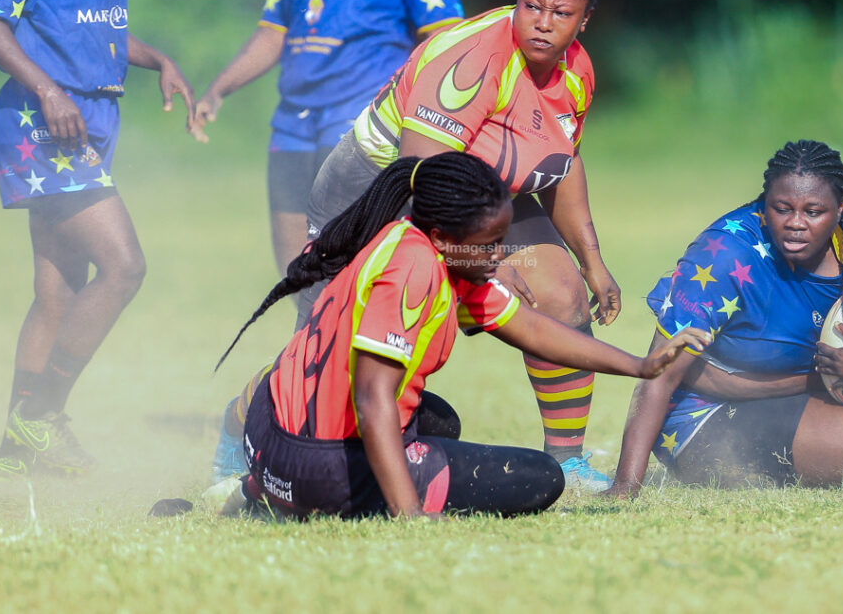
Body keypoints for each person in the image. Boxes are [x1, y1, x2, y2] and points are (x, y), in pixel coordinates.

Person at [256, 0, 616, 491]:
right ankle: (246, 437)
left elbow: (561, 162)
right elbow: (419, 178)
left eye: (561, 13)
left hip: (482, 195)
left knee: (563, 293)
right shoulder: (471, 60)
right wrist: (487, 262)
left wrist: (592, 260)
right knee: (323, 347)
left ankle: (569, 462)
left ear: (585, 20)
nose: (543, 22)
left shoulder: (577, 71)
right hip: (379, 188)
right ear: (514, 0)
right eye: (531, 6)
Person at [212, 152, 710, 518]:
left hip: (272, 425)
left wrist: (639, 365)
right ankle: (291, 497)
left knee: (441, 421)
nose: (501, 255)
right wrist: (409, 519)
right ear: (445, 237)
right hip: (313, 469)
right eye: (490, 244)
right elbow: (371, 398)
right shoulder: (412, 270)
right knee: (539, 480)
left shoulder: (431, 248)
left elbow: (534, 329)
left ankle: (256, 492)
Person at [0, 0, 199, 474]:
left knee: (58, 292)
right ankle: (41, 415)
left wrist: (159, 58)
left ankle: (15, 449)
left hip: (91, 124)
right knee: (124, 266)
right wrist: (49, 91)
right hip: (42, 125)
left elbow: (97, 33)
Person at [607, 140, 843, 495]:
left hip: (805, 389)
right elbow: (659, 377)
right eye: (781, 208)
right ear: (764, 205)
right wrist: (625, 486)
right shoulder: (724, 254)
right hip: (704, 415)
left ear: (840, 210)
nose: (795, 223)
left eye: (813, 211)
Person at [190, 0, 463, 278]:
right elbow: (273, 32)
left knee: (345, 268)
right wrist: (218, 89)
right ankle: (311, 338)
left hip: (359, 117)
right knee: (295, 272)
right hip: (292, 123)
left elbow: (443, 35)